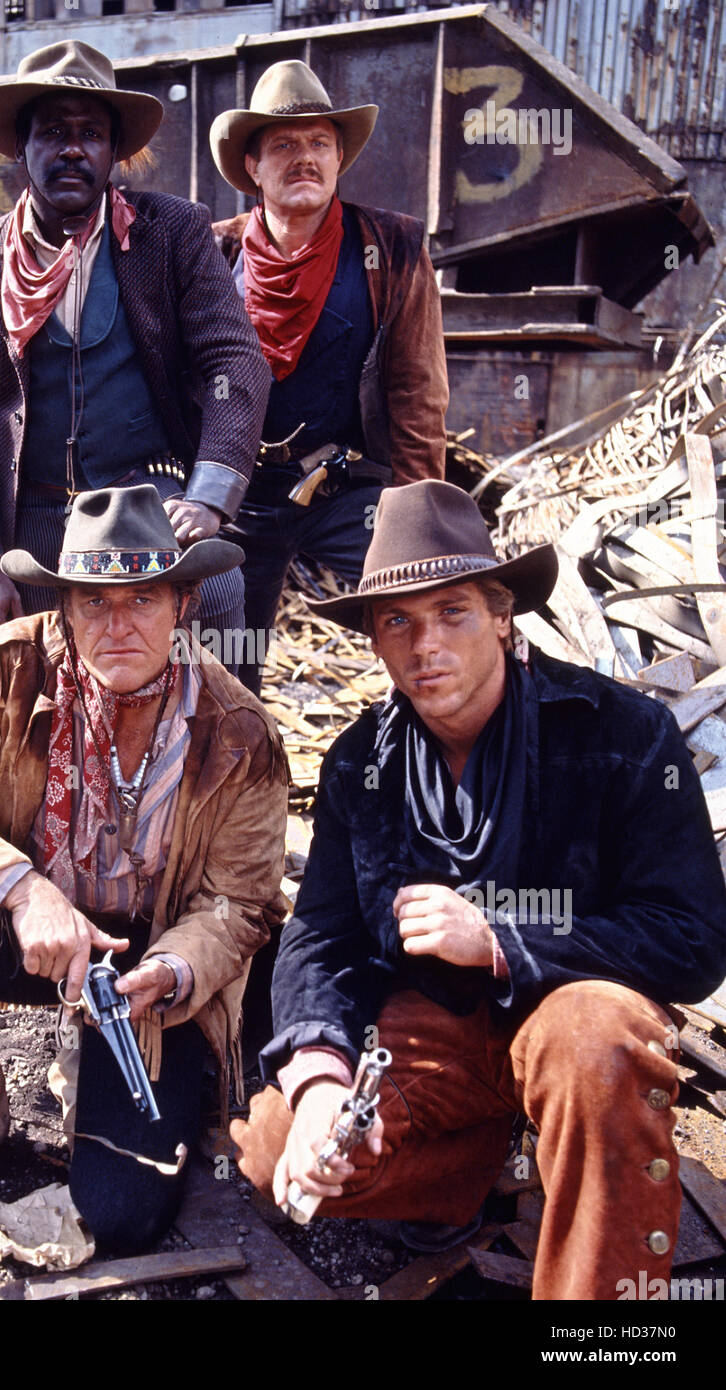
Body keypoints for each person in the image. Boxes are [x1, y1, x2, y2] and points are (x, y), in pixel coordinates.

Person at [232, 480, 726, 1300]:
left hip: (573, 1014)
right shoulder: (362, 762)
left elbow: (692, 939)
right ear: (374, 640)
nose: (426, 645)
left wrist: (500, 937)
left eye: (452, 612)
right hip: (439, 1026)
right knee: (276, 1151)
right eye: (398, 622)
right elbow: (321, 936)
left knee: (594, 1045)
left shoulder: (619, 733)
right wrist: (319, 1078)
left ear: (503, 616)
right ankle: (475, 1166)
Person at [0, 484, 289, 1253]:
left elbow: (241, 903)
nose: (117, 626)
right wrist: (19, 889)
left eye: (141, 599)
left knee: (122, 1213)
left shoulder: (239, 732)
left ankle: (155, 1077)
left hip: (141, 964)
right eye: (93, 602)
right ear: (65, 608)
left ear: (182, 604)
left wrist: (174, 970)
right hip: (27, 932)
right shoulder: (6, 668)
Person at [0, 40, 270, 656]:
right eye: (52, 132)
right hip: (33, 511)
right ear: (21, 147)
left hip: (145, 496)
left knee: (216, 594)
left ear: (114, 151)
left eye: (90, 133)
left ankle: (228, 723)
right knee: (14, 649)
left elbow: (235, 358)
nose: (71, 149)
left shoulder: (171, 231)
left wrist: (208, 496)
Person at [210, 60, 449, 692]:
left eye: (320, 143)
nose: (305, 159)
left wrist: (419, 521)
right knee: (223, 669)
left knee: (427, 607)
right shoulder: (212, 254)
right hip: (237, 500)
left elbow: (417, 395)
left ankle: (430, 739)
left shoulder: (390, 247)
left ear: (339, 158)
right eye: (284, 145)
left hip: (346, 491)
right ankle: (242, 753)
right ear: (252, 166)